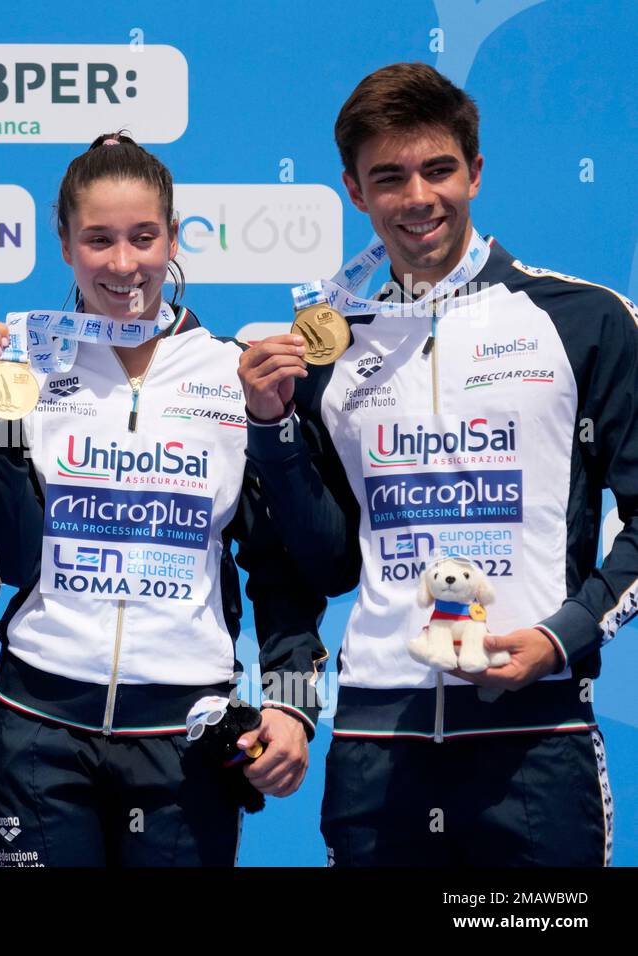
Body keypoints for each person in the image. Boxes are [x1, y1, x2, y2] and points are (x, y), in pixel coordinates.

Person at [240, 62, 635, 865]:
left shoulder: (585, 320)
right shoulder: (325, 348)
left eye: (438, 170)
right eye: (389, 177)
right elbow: (312, 564)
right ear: (354, 190)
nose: (417, 198)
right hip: (375, 745)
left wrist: (563, 636)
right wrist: (271, 429)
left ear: (476, 173)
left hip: (536, 733)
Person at [0, 134, 328, 867]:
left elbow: (286, 569)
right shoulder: (22, 373)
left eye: (142, 237)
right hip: (40, 726)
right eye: (98, 240)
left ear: (175, 238)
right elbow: (10, 560)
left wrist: (292, 703)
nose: (124, 265)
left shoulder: (233, 374)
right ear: (63, 243)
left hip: (185, 737)